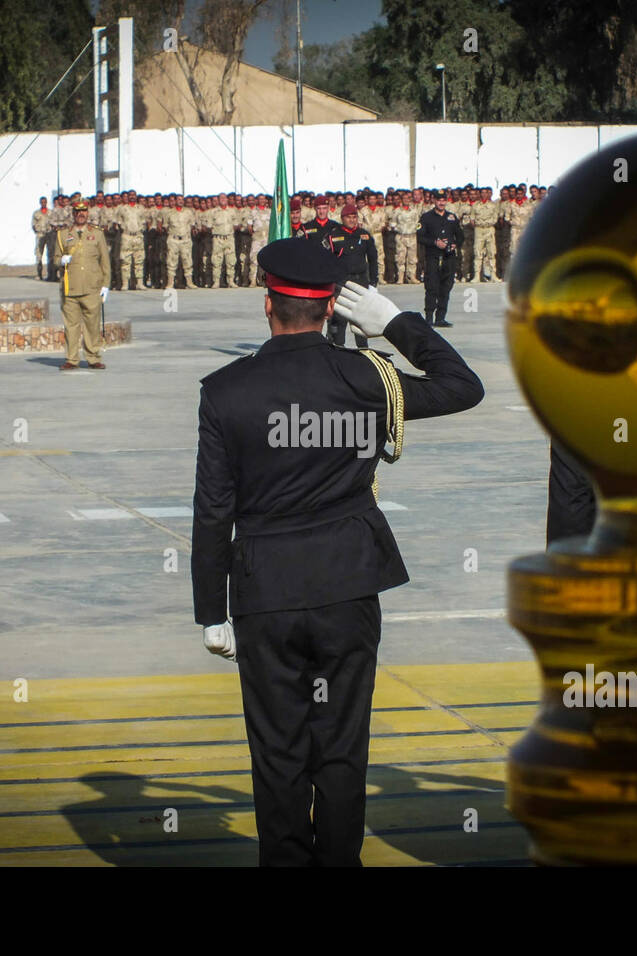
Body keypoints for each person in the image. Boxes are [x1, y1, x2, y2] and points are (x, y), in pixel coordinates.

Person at [191, 238, 484, 866]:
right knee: (343, 745)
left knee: (277, 751)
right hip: (347, 588)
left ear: (268, 306)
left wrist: (210, 611)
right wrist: (397, 322)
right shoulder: (365, 377)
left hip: (265, 594)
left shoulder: (225, 391)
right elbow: (464, 386)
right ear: (333, 311)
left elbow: (213, 511)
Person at [55, 201, 111, 370]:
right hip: (70, 287)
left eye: (84, 211)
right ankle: (72, 359)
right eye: (78, 211)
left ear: (88, 213)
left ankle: (93, 358)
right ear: (73, 214)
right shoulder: (63, 234)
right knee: (71, 326)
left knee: (92, 325)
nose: (81, 214)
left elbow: (105, 261)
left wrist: (106, 285)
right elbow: (55, 259)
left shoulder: (98, 234)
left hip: (91, 286)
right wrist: (61, 260)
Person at [323, 204, 380, 347]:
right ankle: (338, 348)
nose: (352, 220)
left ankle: (363, 350)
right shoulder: (333, 236)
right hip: (341, 283)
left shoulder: (364, 235)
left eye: (354, 217)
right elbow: (324, 260)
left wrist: (373, 282)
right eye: (349, 217)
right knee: (339, 320)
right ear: (342, 218)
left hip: (360, 281)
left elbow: (373, 259)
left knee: (360, 319)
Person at [417, 190, 463, 328]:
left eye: (443, 200)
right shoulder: (426, 217)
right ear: (434, 201)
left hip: (449, 257)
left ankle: (440, 317)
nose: (441, 202)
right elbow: (420, 237)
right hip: (433, 257)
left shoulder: (452, 217)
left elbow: (460, 235)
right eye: (438, 200)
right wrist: (435, 242)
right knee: (431, 287)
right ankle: (429, 317)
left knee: (446, 287)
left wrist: (455, 244)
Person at [32, 196, 53, 281]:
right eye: (42, 202)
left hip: (49, 235)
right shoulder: (36, 213)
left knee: (50, 254)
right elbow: (33, 224)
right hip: (40, 235)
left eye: (45, 202)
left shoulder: (50, 212)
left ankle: (50, 274)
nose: (43, 203)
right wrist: (37, 231)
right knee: (39, 254)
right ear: (40, 203)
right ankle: (39, 274)